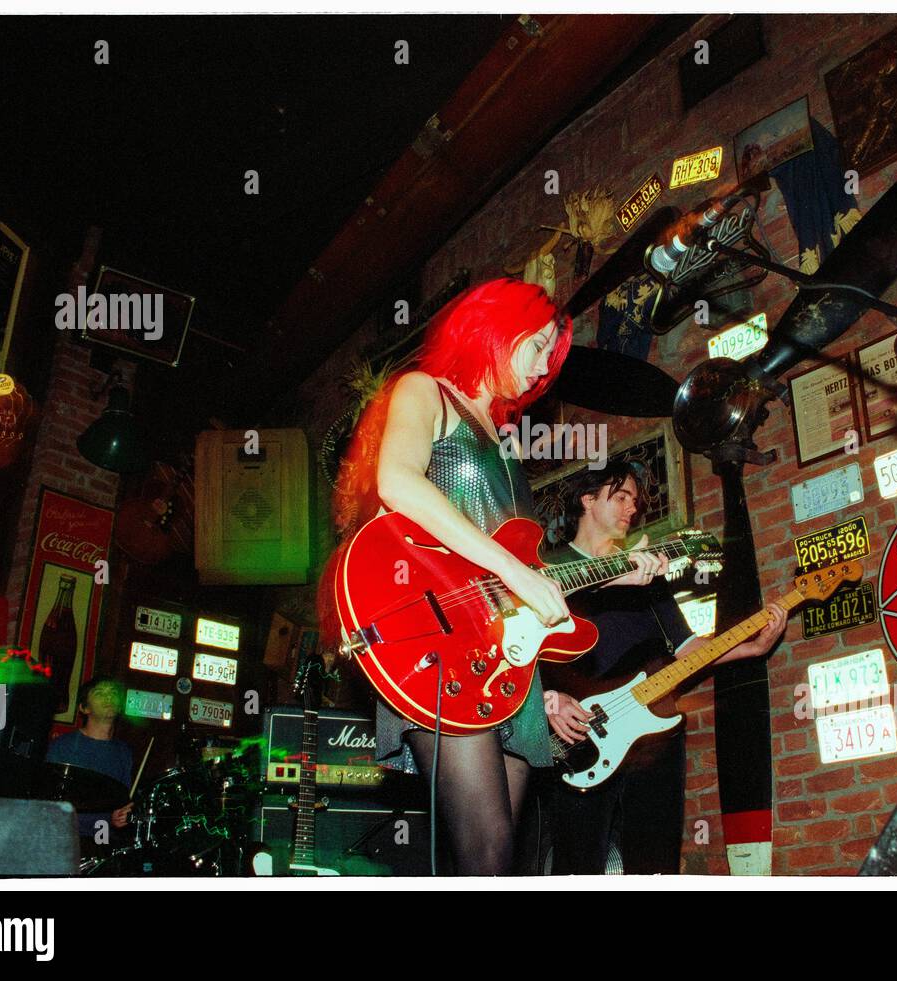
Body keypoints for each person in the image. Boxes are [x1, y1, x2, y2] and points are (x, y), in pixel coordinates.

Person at [322, 277, 582, 875]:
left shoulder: (505, 440)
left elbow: (521, 558)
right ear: (496, 327)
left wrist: (622, 570)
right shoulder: (425, 392)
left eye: (551, 356)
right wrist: (514, 569)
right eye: (537, 345)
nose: (544, 367)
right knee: (486, 847)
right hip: (433, 639)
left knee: (495, 859)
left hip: (497, 654)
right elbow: (398, 482)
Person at [540, 461, 787, 874]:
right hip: (580, 734)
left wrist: (751, 648)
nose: (630, 509)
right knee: (577, 864)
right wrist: (548, 700)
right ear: (587, 500)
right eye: (620, 497)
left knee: (654, 862)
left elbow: (688, 648)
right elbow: (520, 649)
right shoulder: (551, 571)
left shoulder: (647, 576)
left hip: (654, 736)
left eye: (635, 501)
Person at [44, 676, 134, 845]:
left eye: (113, 692)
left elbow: (121, 801)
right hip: (66, 839)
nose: (108, 697)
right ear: (84, 708)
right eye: (100, 692)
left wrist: (120, 817)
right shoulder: (62, 746)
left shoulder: (124, 752)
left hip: (106, 842)